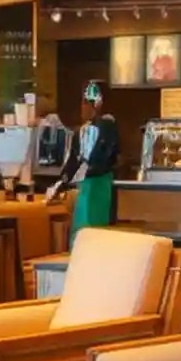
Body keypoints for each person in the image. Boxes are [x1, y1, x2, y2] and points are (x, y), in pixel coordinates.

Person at [47, 81, 118, 243]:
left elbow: (104, 157)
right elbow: (74, 160)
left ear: (97, 104)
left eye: (86, 102)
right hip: (86, 187)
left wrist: (69, 178)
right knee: (82, 232)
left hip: (99, 186)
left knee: (94, 234)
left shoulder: (106, 126)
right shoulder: (82, 131)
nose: (82, 107)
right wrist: (60, 183)